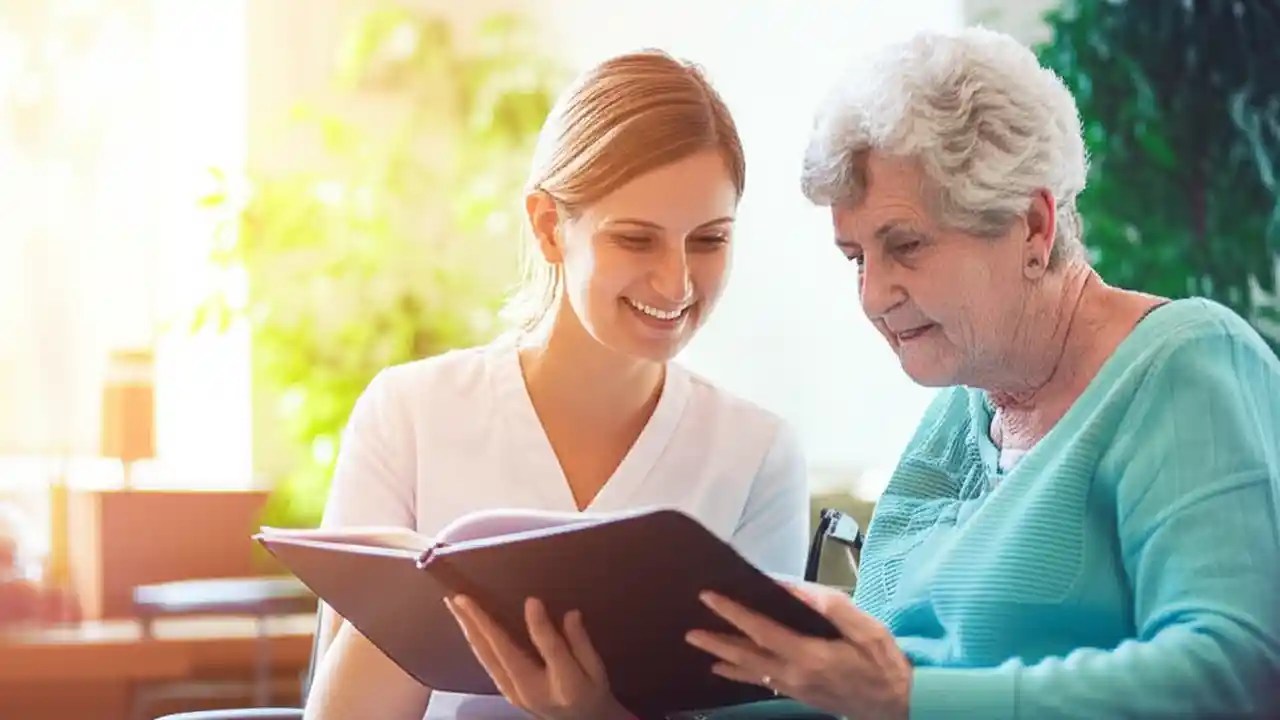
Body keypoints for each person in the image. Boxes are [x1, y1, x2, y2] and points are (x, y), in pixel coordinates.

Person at [682, 26, 1280, 720]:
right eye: (855, 258)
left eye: (905, 245)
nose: (874, 295)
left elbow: (1235, 674)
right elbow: (858, 705)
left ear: (1032, 225)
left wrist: (908, 698)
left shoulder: (1185, 364)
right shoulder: (963, 407)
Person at [302, 49, 811, 720]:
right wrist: (415, 603)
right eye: (636, 240)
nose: (677, 282)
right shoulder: (409, 414)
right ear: (548, 227)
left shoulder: (754, 454)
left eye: (709, 240)